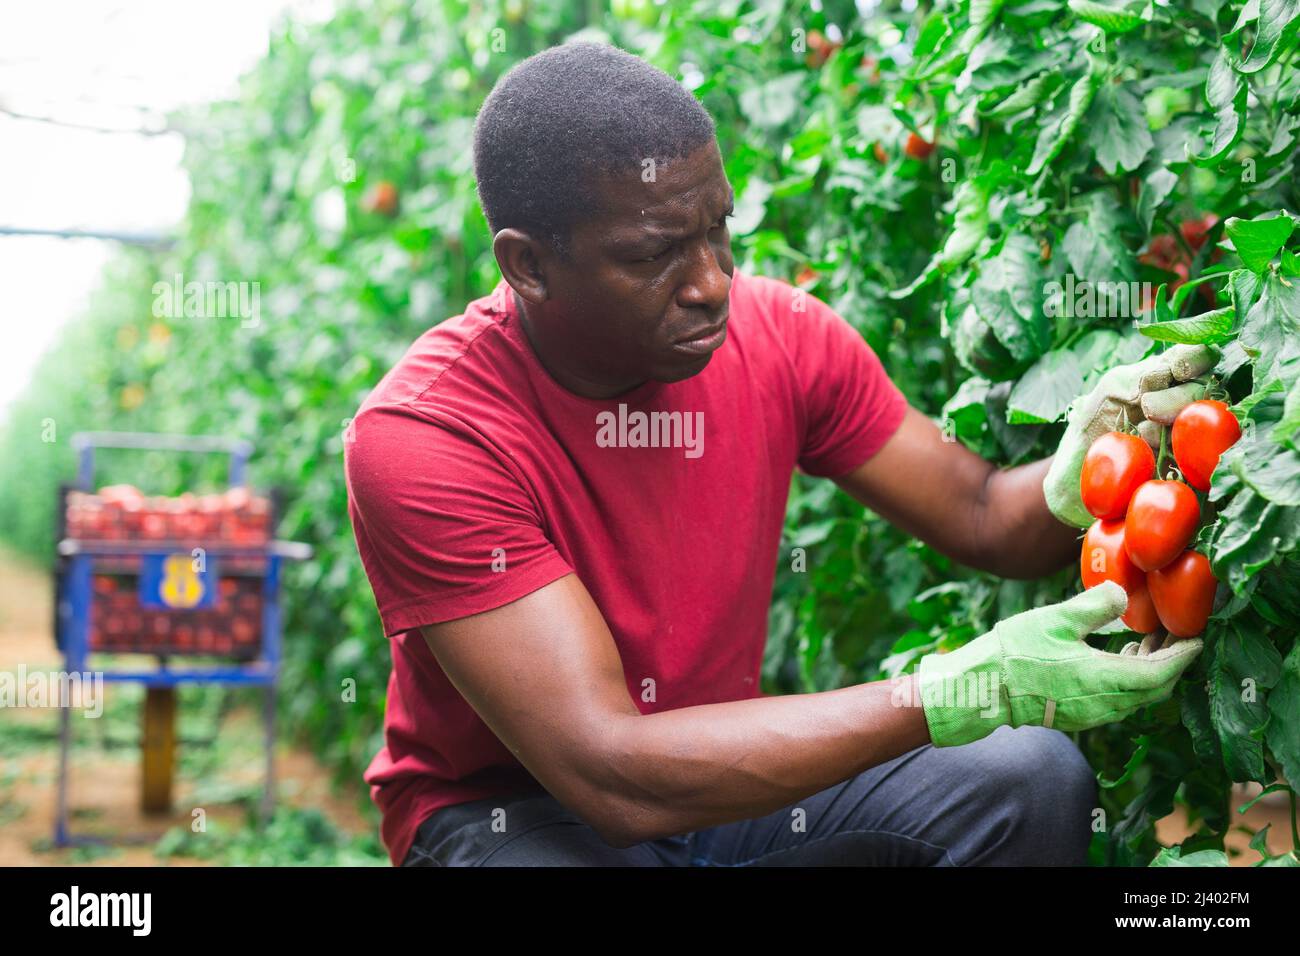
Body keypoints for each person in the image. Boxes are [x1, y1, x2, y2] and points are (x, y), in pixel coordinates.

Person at [343, 42, 1204, 867]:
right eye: (652, 254)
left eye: (720, 229)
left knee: (1029, 781)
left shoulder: (781, 335)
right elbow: (607, 769)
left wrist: (1090, 460)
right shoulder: (428, 436)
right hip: (519, 812)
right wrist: (949, 693)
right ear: (527, 265)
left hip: (721, 776)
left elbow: (981, 515)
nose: (712, 282)